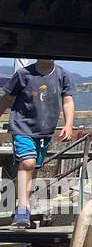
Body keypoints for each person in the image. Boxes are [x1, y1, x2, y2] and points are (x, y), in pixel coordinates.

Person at [0, 58, 76, 229]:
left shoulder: (63, 75)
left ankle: (24, 207)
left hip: (45, 131)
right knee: (28, 163)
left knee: (33, 169)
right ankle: (22, 209)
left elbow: (68, 101)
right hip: (22, 127)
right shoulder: (23, 74)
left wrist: (69, 124)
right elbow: (6, 99)